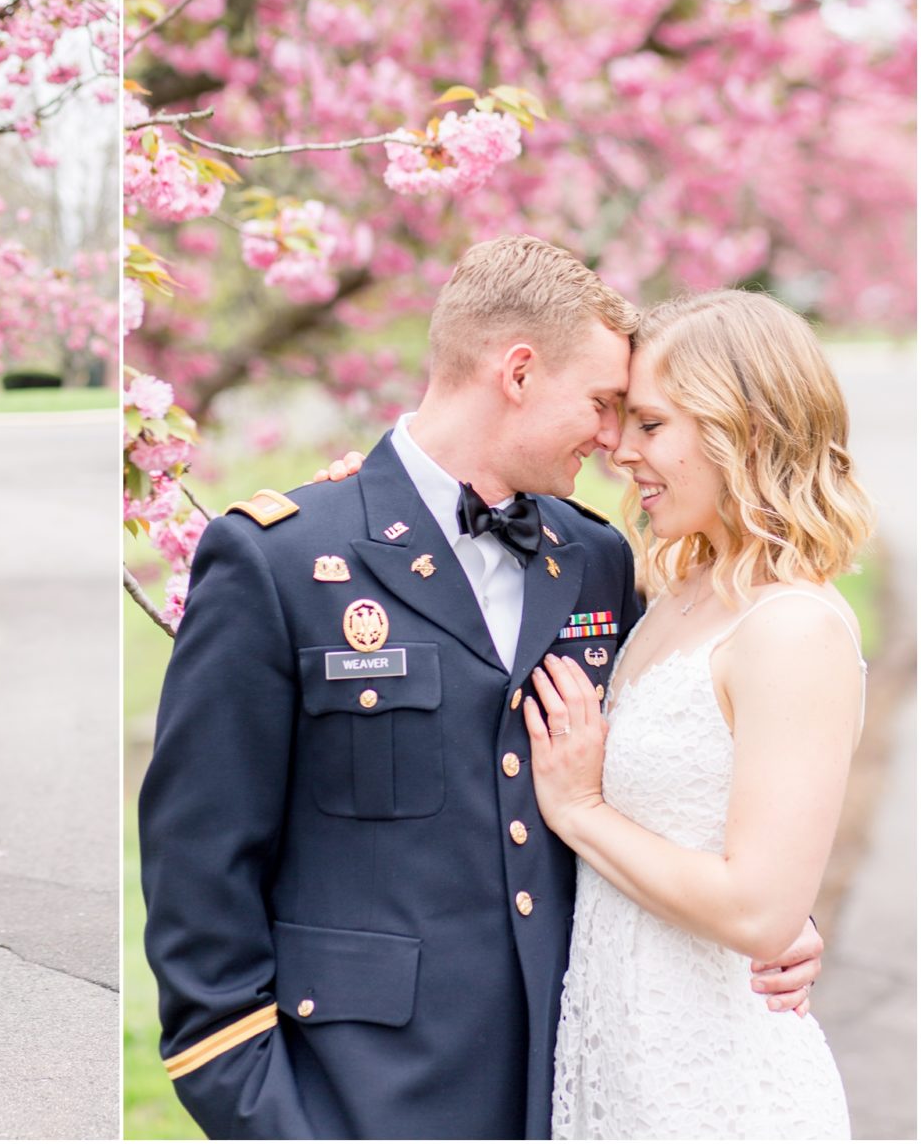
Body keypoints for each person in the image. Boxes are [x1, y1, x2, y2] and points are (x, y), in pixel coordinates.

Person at [137, 236, 821, 1139]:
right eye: (603, 404)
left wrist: (775, 907)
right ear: (519, 373)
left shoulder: (597, 559)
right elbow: (199, 875)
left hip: (583, 1081)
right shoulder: (284, 559)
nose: (613, 442)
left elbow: (688, 746)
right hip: (367, 1101)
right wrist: (274, 1120)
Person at [525, 290, 869, 1138]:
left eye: (651, 424)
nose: (621, 451)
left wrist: (580, 809)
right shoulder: (676, 591)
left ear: (743, 429)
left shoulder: (793, 627)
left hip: (717, 1090)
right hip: (619, 1067)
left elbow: (759, 911)